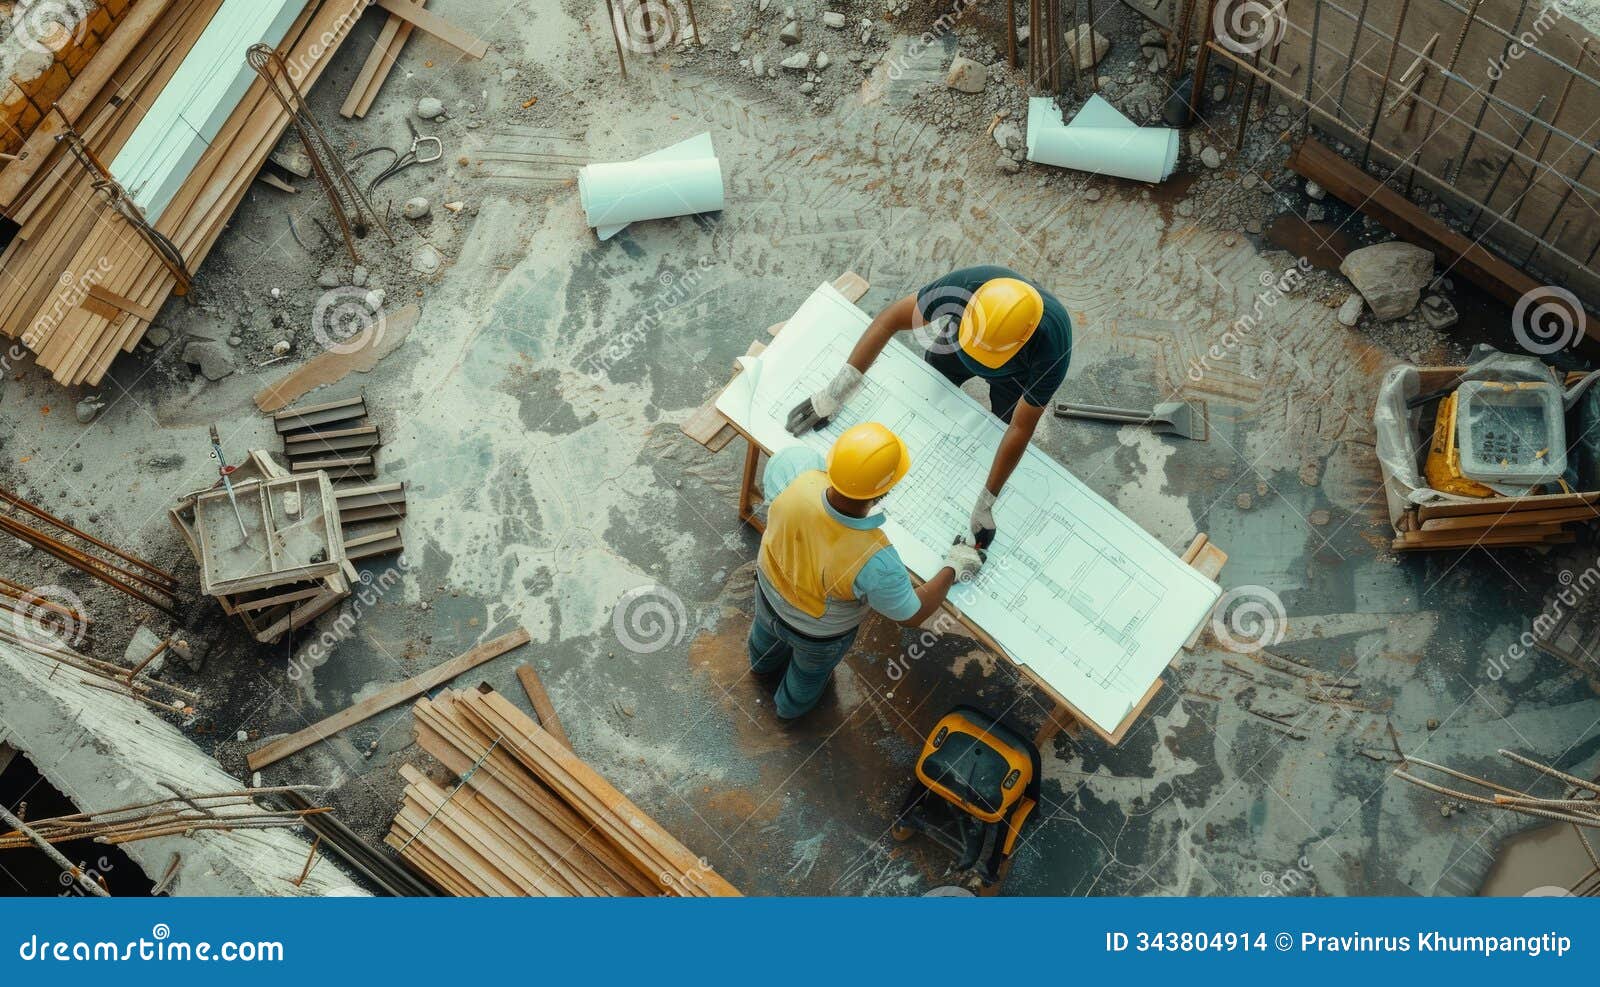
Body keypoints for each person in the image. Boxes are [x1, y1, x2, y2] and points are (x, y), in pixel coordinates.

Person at [784, 265, 1072, 549]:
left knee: (999, 426)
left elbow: (1021, 427)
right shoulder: (967, 285)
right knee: (931, 386)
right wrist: (836, 391)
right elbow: (890, 320)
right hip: (957, 347)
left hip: (1015, 378)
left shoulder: (1053, 347)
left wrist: (987, 500)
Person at [751, 422, 986, 719]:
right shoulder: (876, 560)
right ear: (884, 492)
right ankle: (788, 711)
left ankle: (760, 668)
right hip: (817, 636)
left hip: (767, 599)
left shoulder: (797, 478)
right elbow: (911, 614)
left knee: (763, 642)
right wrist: (953, 566)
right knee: (807, 677)